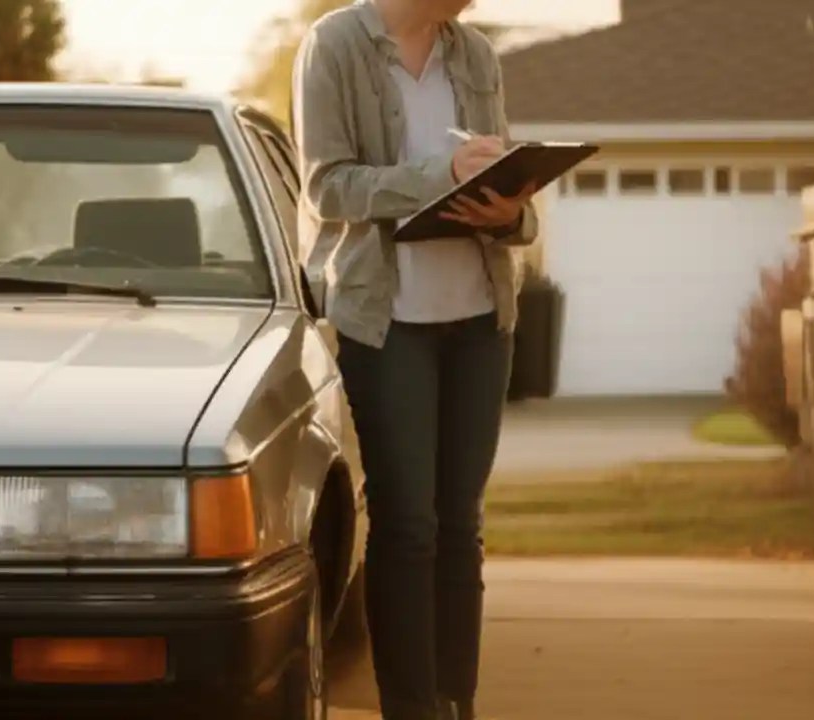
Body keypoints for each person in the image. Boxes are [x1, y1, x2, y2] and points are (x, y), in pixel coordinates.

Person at [291, 1, 538, 718]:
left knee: (461, 522)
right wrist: (440, 174)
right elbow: (327, 186)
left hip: (481, 315)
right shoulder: (332, 45)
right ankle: (410, 707)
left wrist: (513, 212)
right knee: (407, 524)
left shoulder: (477, 56)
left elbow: (506, 186)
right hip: (387, 319)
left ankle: (455, 701)